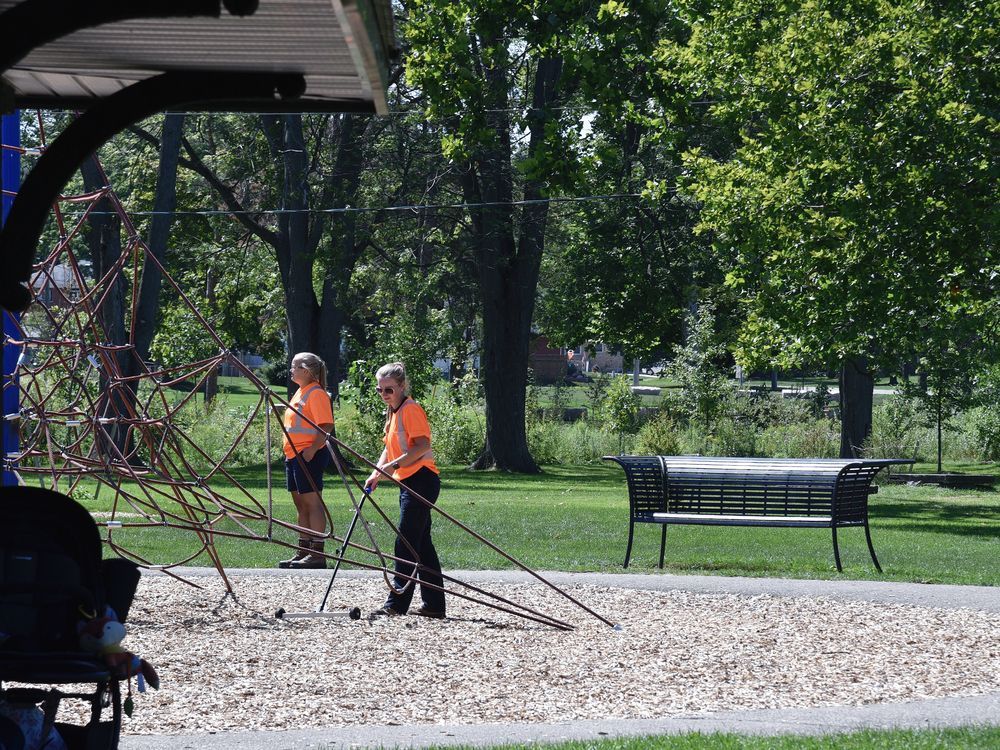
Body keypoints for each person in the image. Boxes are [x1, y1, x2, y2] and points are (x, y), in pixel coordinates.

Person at [364, 362, 446, 618]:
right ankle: (434, 605)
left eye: (388, 390)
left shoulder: (411, 409)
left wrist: (394, 466)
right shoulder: (393, 411)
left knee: (406, 542)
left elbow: (421, 445)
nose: (384, 395)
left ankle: (396, 604)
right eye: (379, 390)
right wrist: (376, 473)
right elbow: (389, 448)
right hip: (406, 481)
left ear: (402, 386)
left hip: (421, 480)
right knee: (421, 545)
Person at [277, 352, 334, 569]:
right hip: (293, 455)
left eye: (294, 366)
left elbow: (326, 425)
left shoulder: (316, 393)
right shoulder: (301, 392)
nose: (291, 370)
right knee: (300, 505)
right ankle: (304, 549)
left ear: (306, 370)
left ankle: (317, 552)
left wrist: (312, 449)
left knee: (312, 502)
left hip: (307, 455)